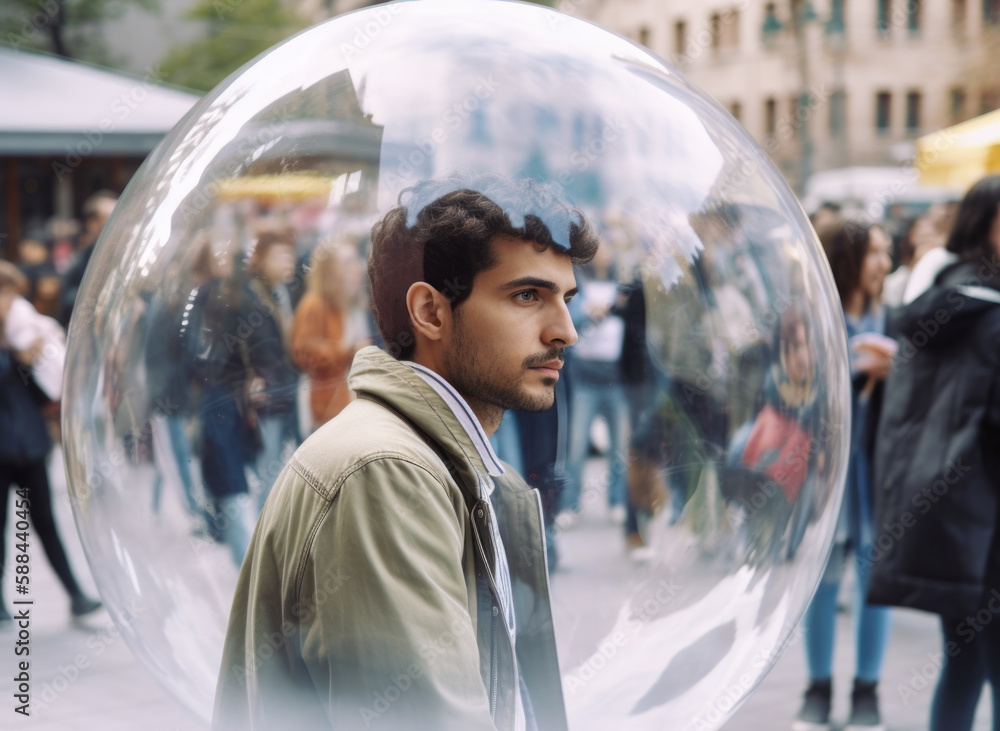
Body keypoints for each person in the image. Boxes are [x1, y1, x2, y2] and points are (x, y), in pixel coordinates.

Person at [214, 174, 597, 731]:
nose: (566, 332)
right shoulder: (388, 473)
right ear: (431, 312)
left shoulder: (429, 457)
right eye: (527, 296)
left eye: (567, 299)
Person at [867, 175, 1000, 731]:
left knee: (964, 664)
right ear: (985, 225)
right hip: (987, 517)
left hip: (952, 515)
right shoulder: (989, 311)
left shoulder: (946, 293)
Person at [793, 218, 893, 731]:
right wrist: (851, 373)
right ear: (851, 259)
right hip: (823, 473)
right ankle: (818, 689)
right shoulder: (811, 319)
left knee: (878, 581)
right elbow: (787, 394)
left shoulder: (893, 318)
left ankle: (867, 691)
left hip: (880, 475)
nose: (885, 263)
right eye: (876, 252)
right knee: (823, 580)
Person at [0, 263, 102, 624]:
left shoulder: (21, 336)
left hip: (28, 446)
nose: (12, 302)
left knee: (46, 521)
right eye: (6, 293)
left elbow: (45, 394)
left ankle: (75, 593)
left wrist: (37, 359)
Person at [291, 239, 369, 430]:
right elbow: (304, 354)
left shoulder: (351, 302)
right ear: (331, 270)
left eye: (355, 259)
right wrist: (348, 351)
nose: (356, 266)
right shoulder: (314, 304)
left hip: (347, 403)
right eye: (347, 262)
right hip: (327, 409)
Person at [60, 190, 117, 327]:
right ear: (92, 223)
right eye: (110, 218)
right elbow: (70, 303)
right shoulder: (82, 260)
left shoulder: (126, 255)